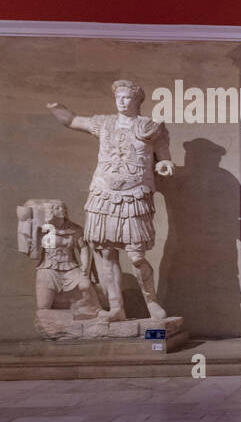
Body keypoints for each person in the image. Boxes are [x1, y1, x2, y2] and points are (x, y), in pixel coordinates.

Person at [47, 80, 173, 321]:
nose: (122, 101)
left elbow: (163, 156)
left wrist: (165, 164)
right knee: (107, 255)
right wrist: (55, 106)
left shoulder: (150, 127)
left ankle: (152, 302)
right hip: (104, 194)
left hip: (134, 195)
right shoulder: (104, 123)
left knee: (136, 257)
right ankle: (117, 308)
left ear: (137, 101)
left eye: (127, 97)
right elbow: (72, 120)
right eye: (119, 97)